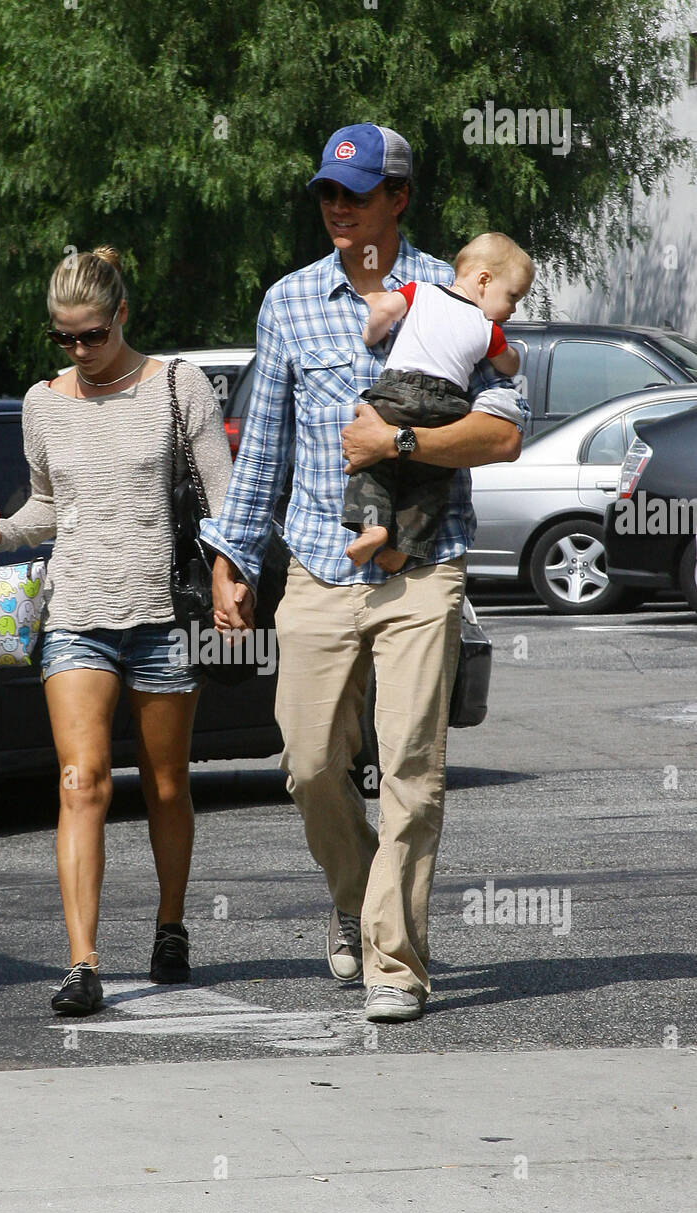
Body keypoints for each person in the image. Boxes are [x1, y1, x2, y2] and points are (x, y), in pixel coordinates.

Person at [203, 124, 529, 1023]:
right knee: (309, 763)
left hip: (424, 566)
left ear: (399, 200)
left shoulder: (460, 291)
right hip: (315, 561)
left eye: (355, 193)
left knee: (413, 771)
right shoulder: (289, 302)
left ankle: (394, 961)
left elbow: (504, 433)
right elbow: (260, 441)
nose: (337, 208)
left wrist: (400, 440)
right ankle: (353, 896)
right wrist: (231, 556)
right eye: (326, 194)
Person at [0, 246, 232, 1017]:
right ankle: (82, 963)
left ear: (122, 315)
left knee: (166, 785)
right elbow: (46, 507)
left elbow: (222, 502)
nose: (79, 351)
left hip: (159, 615)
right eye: (64, 339)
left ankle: (171, 923)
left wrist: (227, 579)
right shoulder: (42, 403)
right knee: (79, 783)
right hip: (76, 611)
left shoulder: (178, 387)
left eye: (91, 335)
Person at [344, 232, 534, 568]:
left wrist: (373, 334)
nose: (513, 308)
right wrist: (512, 355)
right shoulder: (489, 329)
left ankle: (372, 526)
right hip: (446, 405)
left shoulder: (420, 292)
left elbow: (384, 309)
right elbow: (509, 363)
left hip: (397, 392)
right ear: (484, 280)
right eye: (513, 296)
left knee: (372, 463)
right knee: (432, 476)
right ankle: (405, 545)